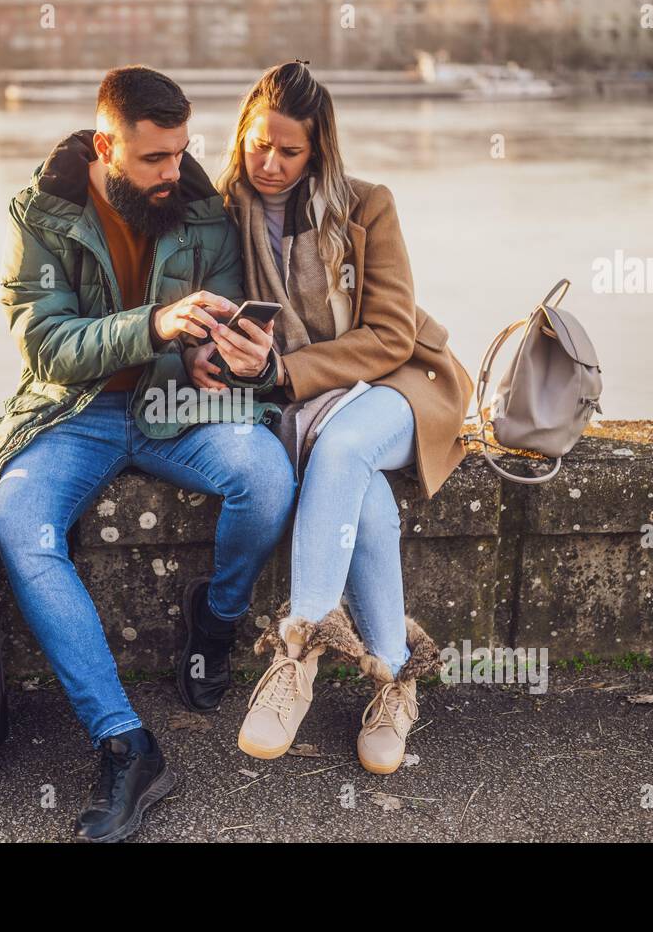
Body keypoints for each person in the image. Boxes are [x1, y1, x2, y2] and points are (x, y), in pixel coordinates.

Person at [0, 66, 296, 841]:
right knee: (20, 524)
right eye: (153, 158)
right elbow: (47, 346)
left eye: (182, 152)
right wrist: (155, 327)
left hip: (172, 405)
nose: (172, 173)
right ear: (104, 145)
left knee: (266, 473)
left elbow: (208, 330)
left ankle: (215, 621)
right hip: (73, 412)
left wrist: (216, 360)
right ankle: (126, 744)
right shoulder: (40, 215)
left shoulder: (203, 211)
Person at [185, 61, 473, 775]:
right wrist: (204, 354)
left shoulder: (367, 205)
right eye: (260, 146)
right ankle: (398, 685)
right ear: (243, 134)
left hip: (398, 385)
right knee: (360, 487)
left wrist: (285, 372)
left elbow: (389, 335)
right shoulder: (224, 211)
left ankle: (296, 654)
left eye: (292, 151)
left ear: (319, 151)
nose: (272, 163)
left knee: (343, 445)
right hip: (302, 403)